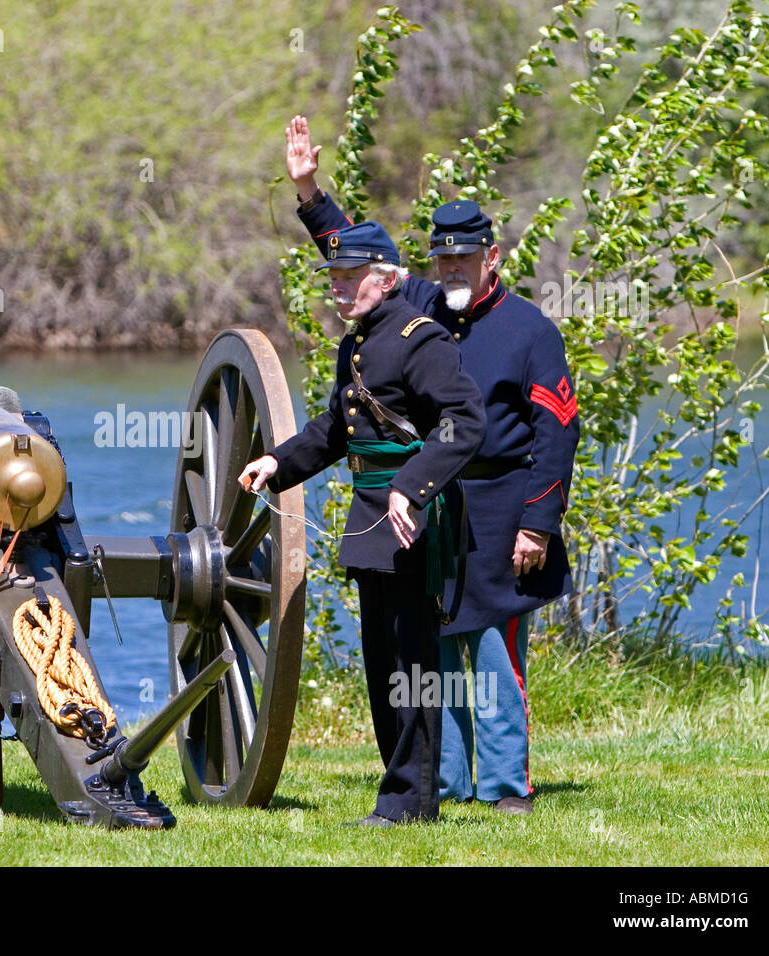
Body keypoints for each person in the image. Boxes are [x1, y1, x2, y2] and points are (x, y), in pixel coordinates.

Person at [284, 114, 580, 813]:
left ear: (492, 257)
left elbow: (557, 433)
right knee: (436, 648)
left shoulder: (532, 331)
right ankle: (440, 781)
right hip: (432, 506)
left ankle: (508, 789)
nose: (450, 270)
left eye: (464, 260)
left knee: (497, 654)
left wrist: (537, 523)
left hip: (504, 507)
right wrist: (309, 191)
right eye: (441, 259)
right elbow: (354, 260)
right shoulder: (421, 303)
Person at [242, 221, 484, 825]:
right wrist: (279, 463)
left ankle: (410, 801)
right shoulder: (355, 346)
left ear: (387, 277)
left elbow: (463, 421)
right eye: (335, 279)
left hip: (413, 520)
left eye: (352, 277)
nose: (341, 289)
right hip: (370, 518)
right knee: (383, 666)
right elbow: (333, 432)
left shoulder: (419, 339)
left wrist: (413, 489)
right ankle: (404, 796)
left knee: (415, 667)